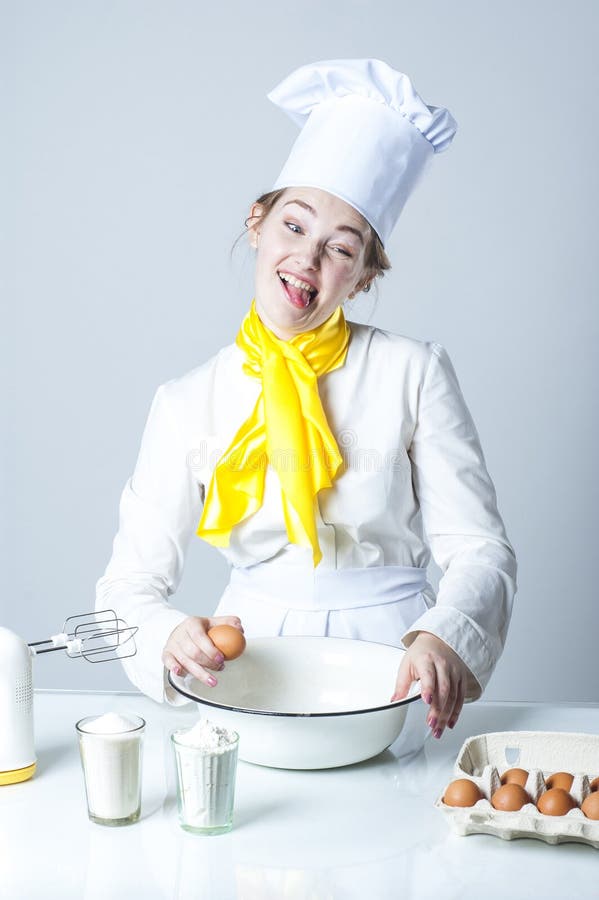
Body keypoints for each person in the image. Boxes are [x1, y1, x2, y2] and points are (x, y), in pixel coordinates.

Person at [96, 58, 517, 750]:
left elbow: (479, 549)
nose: (307, 261)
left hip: (391, 675)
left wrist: (442, 637)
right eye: (293, 227)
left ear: (362, 277)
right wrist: (166, 635)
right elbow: (127, 585)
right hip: (244, 676)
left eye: (340, 248)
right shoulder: (184, 401)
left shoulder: (412, 371)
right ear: (257, 223)